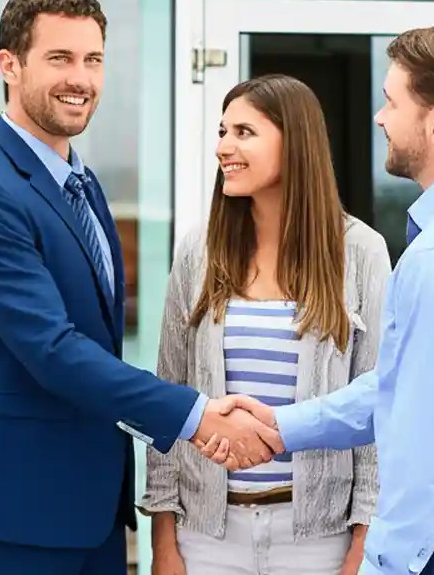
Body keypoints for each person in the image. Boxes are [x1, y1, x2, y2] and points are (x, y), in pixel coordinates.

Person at [0, 0, 280, 575]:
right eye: (60, 58)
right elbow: (53, 348)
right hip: (15, 508)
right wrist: (196, 417)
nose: (81, 79)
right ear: (9, 65)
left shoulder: (80, 185)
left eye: (93, 60)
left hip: (88, 505)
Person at [206, 26, 434, 573]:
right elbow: (406, 388)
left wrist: (383, 566)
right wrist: (283, 427)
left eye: (392, 101)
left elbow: (432, 453)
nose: (380, 117)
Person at [141, 75, 390, 575]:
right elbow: (168, 398)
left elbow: (379, 411)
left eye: (243, 132)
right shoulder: (199, 251)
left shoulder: (360, 252)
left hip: (320, 540)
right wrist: (164, 543)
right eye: (221, 131)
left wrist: (362, 546)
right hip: (207, 536)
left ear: (294, 142)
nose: (223, 148)